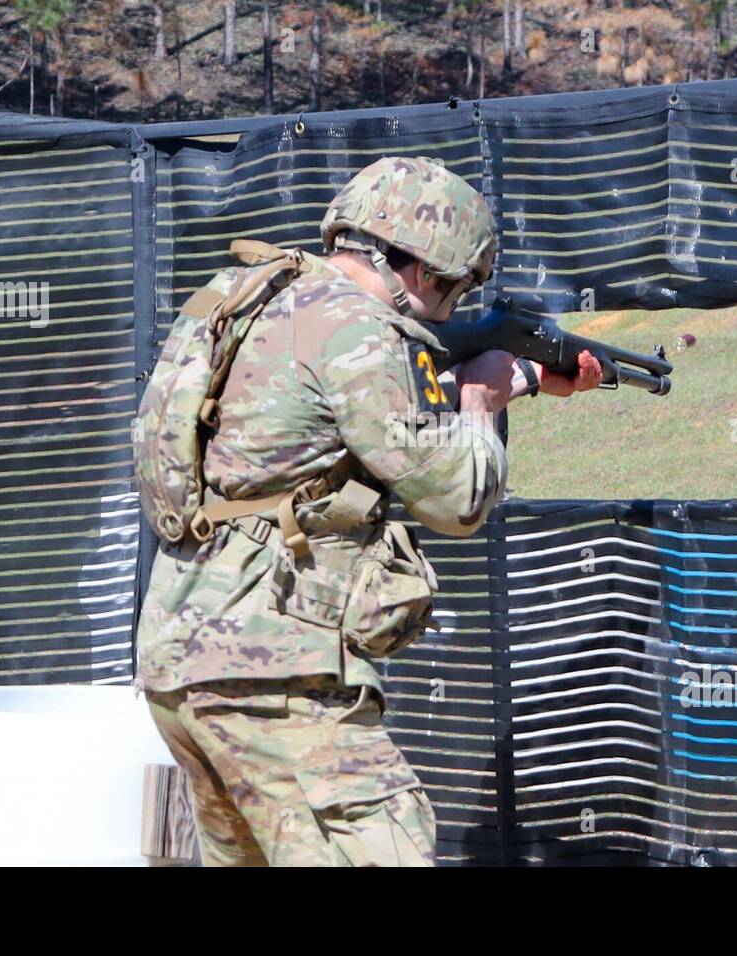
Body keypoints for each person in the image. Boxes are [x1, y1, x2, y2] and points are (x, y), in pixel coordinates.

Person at [137, 156, 602, 867]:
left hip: (182, 660)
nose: (449, 310)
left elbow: (311, 430)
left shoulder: (254, 295)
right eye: (453, 291)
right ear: (421, 272)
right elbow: (457, 501)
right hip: (279, 675)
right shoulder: (358, 327)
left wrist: (515, 380)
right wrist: (482, 403)